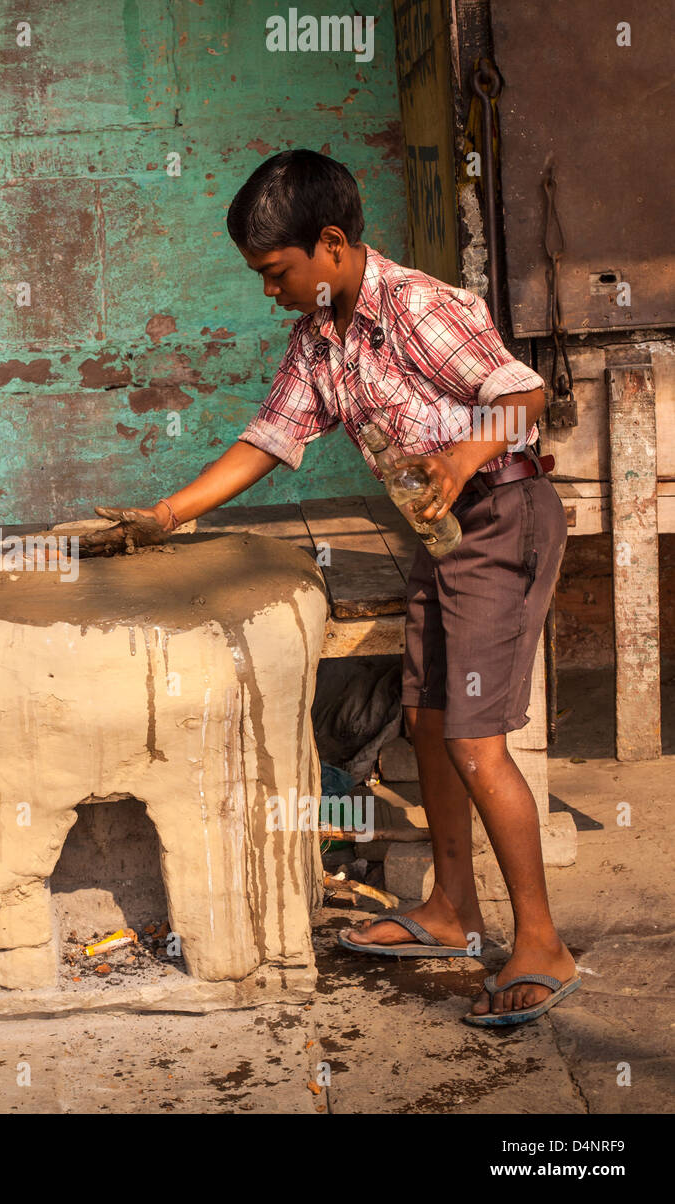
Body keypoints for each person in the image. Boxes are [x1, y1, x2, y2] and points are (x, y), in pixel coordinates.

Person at [80, 148, 577, 1027]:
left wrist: (467, 452)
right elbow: (266, 440)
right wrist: (165, 513)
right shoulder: (317, 340)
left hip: (506, 518)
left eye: (276, 273)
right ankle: (452, 909)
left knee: (475, 741)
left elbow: (523, 394)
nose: (269, 291)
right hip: (443, 533)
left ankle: (540, 941)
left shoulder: (418, 305)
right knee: (427, 721)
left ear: (335, 244)